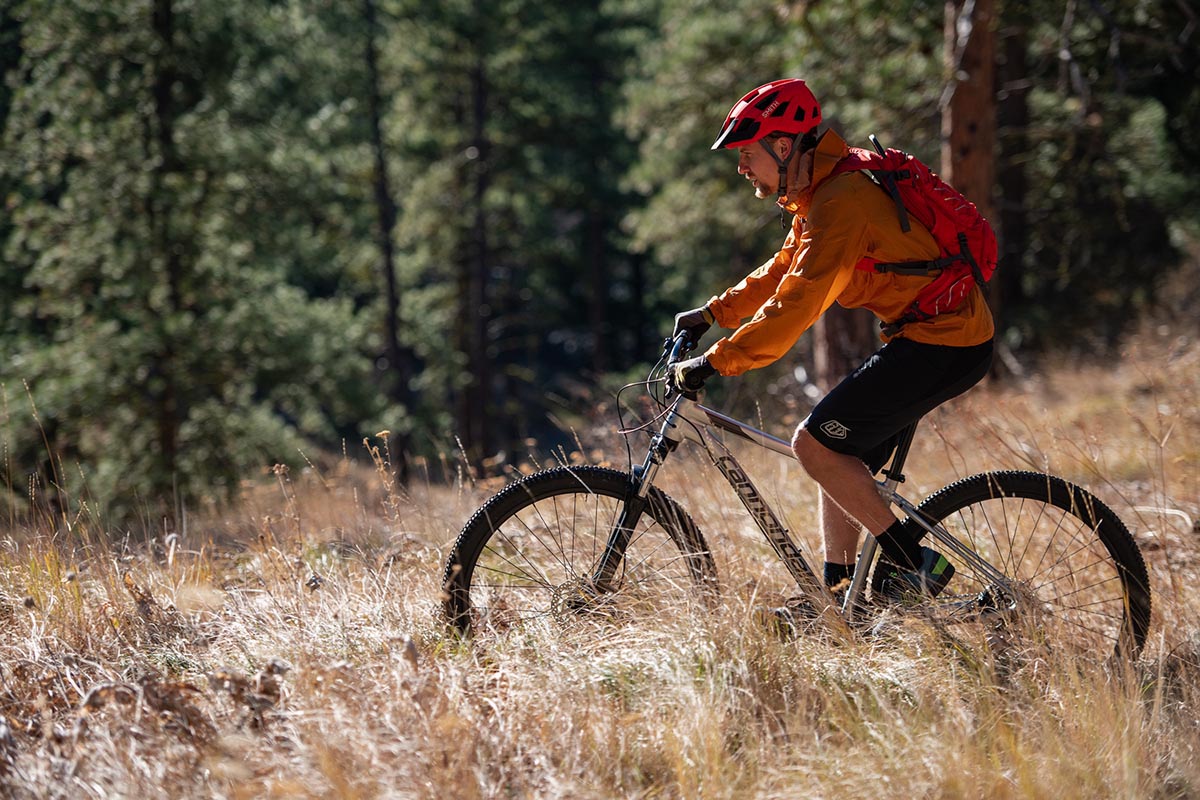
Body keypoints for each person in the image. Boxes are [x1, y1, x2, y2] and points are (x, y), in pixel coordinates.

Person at [669, 78, 994, 606]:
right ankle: (842, 600)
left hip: (946, 342)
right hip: (926, 335)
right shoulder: (822, 191)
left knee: (814, 445)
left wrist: (718, 360)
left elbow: (798, 301)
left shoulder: (842, 201)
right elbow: (783, 269)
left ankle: (918, 564)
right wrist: (714, 313)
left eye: (747, 153)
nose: (741, 168)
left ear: (782, 146)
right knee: (838, 456)